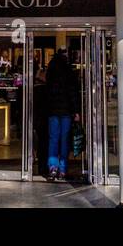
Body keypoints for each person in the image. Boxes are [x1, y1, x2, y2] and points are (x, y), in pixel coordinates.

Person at [43, 51, 80, 182]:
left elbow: (47, 93)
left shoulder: (50, 72)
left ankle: (52, 168)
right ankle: (63, 170)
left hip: (53, 112)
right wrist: (76, 111)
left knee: (53, 139)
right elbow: (73, 93)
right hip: (66, 112)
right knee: (64, 140)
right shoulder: (68, 71)